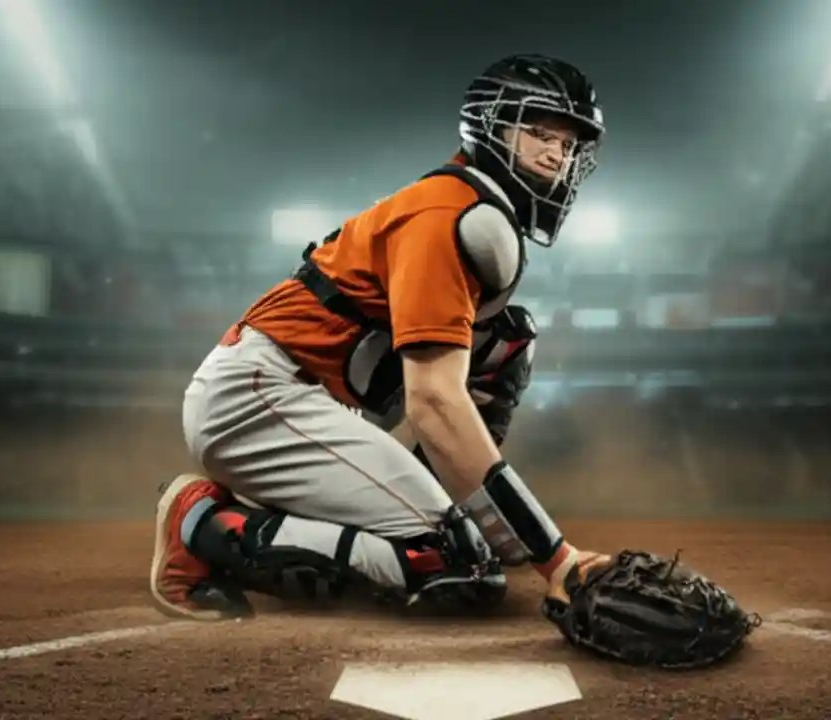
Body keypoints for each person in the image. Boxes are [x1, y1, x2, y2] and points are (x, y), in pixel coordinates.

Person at [150, 53, 612, 620]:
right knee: (454, 564)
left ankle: (447, 520)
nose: (556, 154)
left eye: (568, 144)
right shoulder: (448, 215)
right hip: (257, 398)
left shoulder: (470, 209)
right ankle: (201, 525)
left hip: (315, 398)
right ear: (491, 125)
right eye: (539, 132)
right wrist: (557, 559)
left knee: (505, 342)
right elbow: (433, 401)